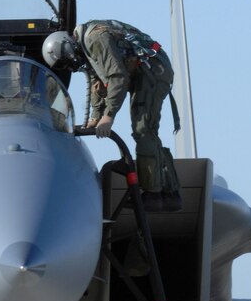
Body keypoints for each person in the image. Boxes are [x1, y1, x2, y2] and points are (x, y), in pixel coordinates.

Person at [42, 21, 182, 212]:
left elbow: (117, 77)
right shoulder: (86, 47)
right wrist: (95, 116)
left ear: (67, 46)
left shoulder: (95, 39)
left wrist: (108, 116)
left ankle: (155, 194)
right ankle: (168, 193)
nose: (72, 65)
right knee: (145, 131)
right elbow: (97, 80)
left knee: (143, 130)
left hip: (153, 71)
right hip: (143, 72)